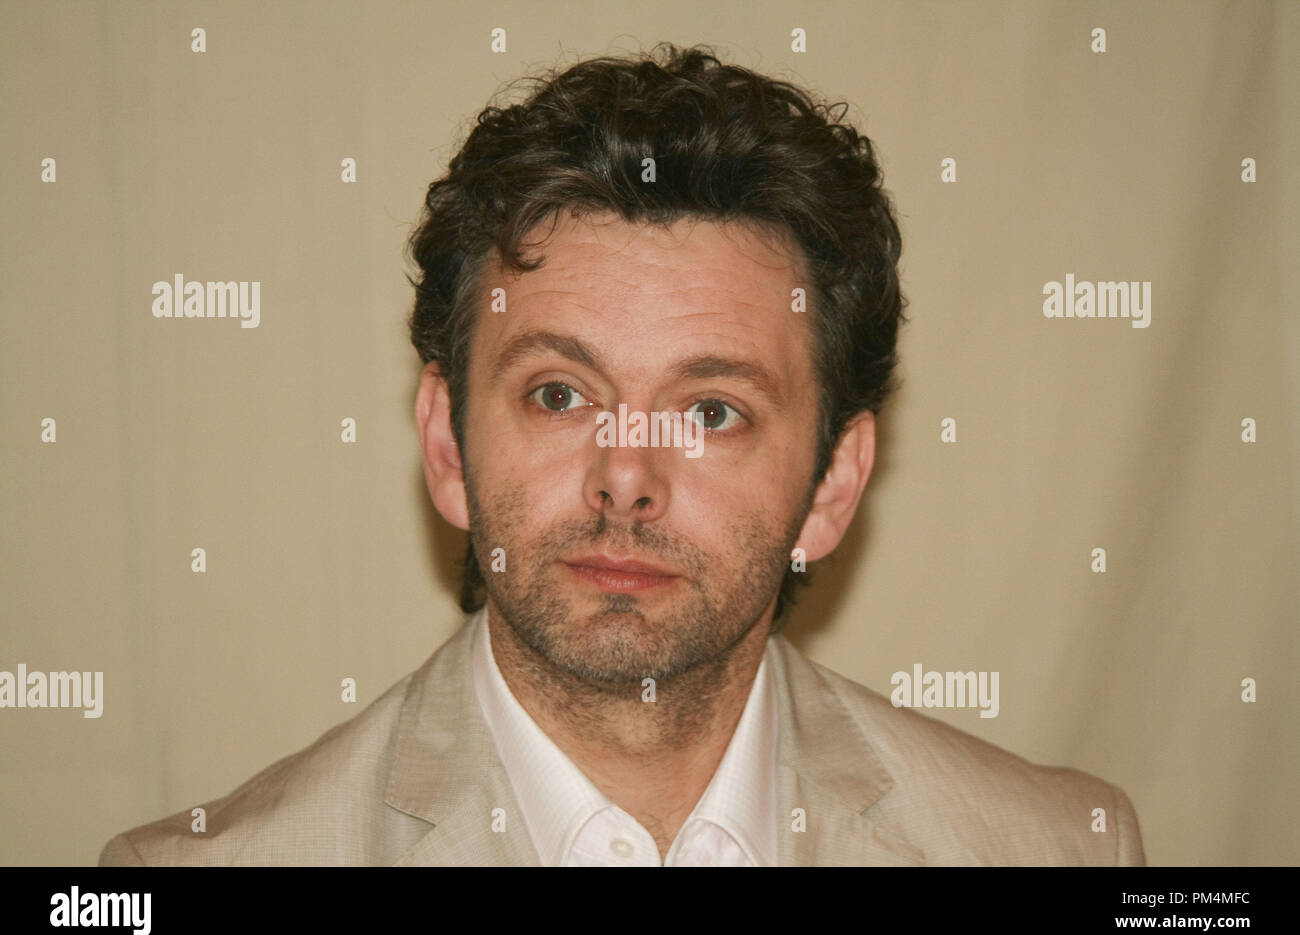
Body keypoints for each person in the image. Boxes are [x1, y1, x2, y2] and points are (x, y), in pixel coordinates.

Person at [99, 43, 1144, 866]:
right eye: (559, 394)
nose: (626, 475)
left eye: (712, 410)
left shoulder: (1062, 850)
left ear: (832, 482)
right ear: (447, 442)